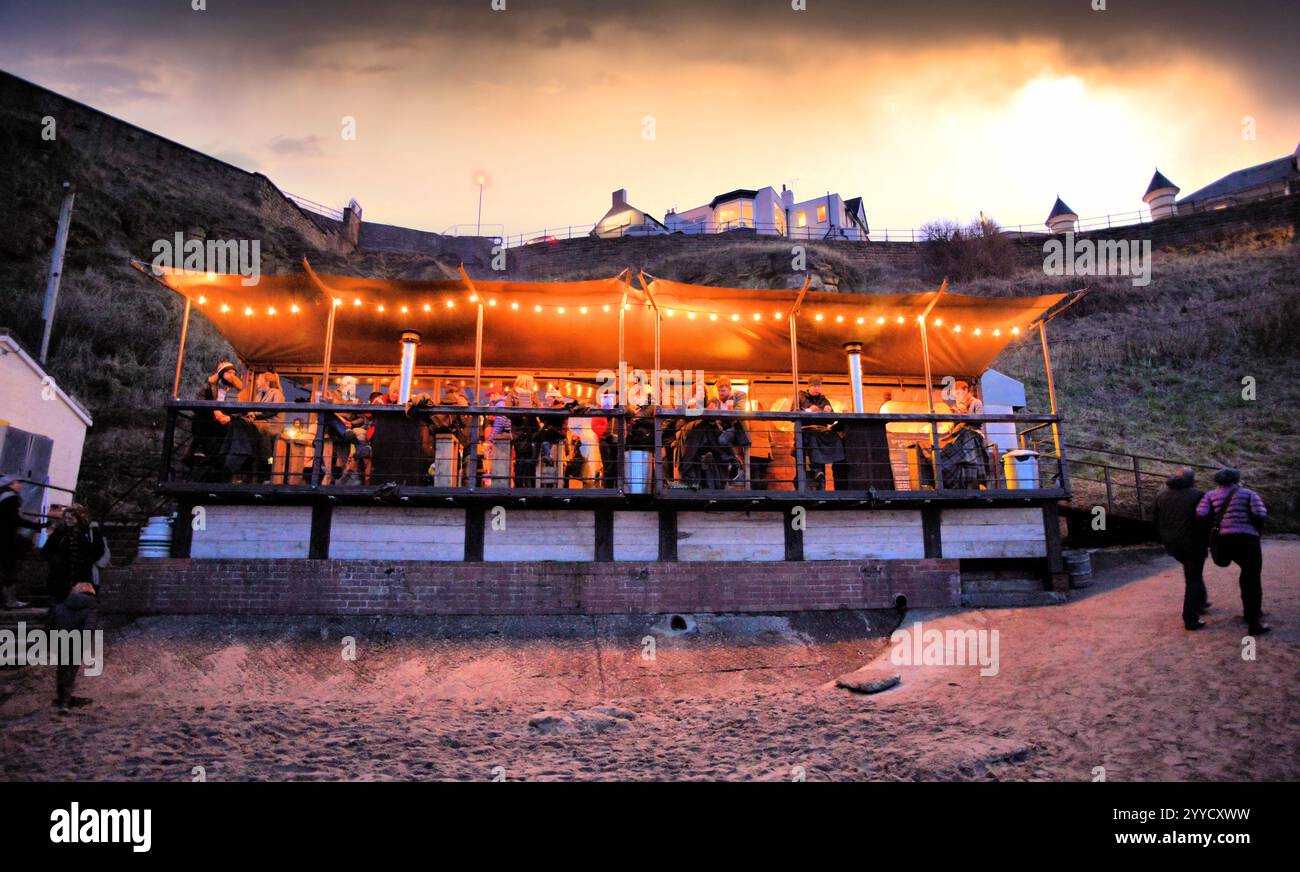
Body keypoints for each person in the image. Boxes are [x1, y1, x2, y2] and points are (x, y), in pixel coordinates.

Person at [1196, 468, 1270, 635]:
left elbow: (1201, 513)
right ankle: (1253, 621)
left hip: (1223, 540)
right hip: (1247, 540)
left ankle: (1250, 615)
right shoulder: (1249, 493)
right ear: (1237, 479)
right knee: (1251, 578)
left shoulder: (1209, 495)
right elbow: (1260, 513)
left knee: (1244, 573)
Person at [1152, 467, 1210, 630]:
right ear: (1192, 479)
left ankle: (1200, 601)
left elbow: (1155, 520)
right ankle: (1190, 618)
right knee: (1193, 578)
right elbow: (1205, 521)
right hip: (1193, 542)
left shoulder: (1161, 494)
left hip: (1171, 542)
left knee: (1192, 573)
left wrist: (1163, 538)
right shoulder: (1198, 495)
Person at [186, 361, 244, 480]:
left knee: (235, 429)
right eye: (229, 372)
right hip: (208, 421)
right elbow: (198, 404)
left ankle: (218, 470)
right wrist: (214, 411)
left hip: (226, 423)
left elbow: (241, 410)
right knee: (203, 426)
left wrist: (229, 417)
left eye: (234, 373)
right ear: (221, 373)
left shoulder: (236, 391)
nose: (232, 375)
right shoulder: (209, 387)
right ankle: (201, 460)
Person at [1, 475, 47, 609]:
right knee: (9, 569)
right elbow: (15, 520)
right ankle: (10, 600)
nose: (20, 485)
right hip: (7, 540)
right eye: (17, 482)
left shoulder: (3, 497)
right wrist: (37, 526)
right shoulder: (11, 499)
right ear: (10, 484)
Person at [250, 371, 286, 481]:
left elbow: (274, 411)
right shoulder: (258, 394)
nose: (256, 381)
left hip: (272, 425)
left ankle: (268, 462)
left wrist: (256, 417)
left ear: (266, 381)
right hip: (260, 423)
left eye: (258, 379)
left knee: (261, 430)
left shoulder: (276, 393)